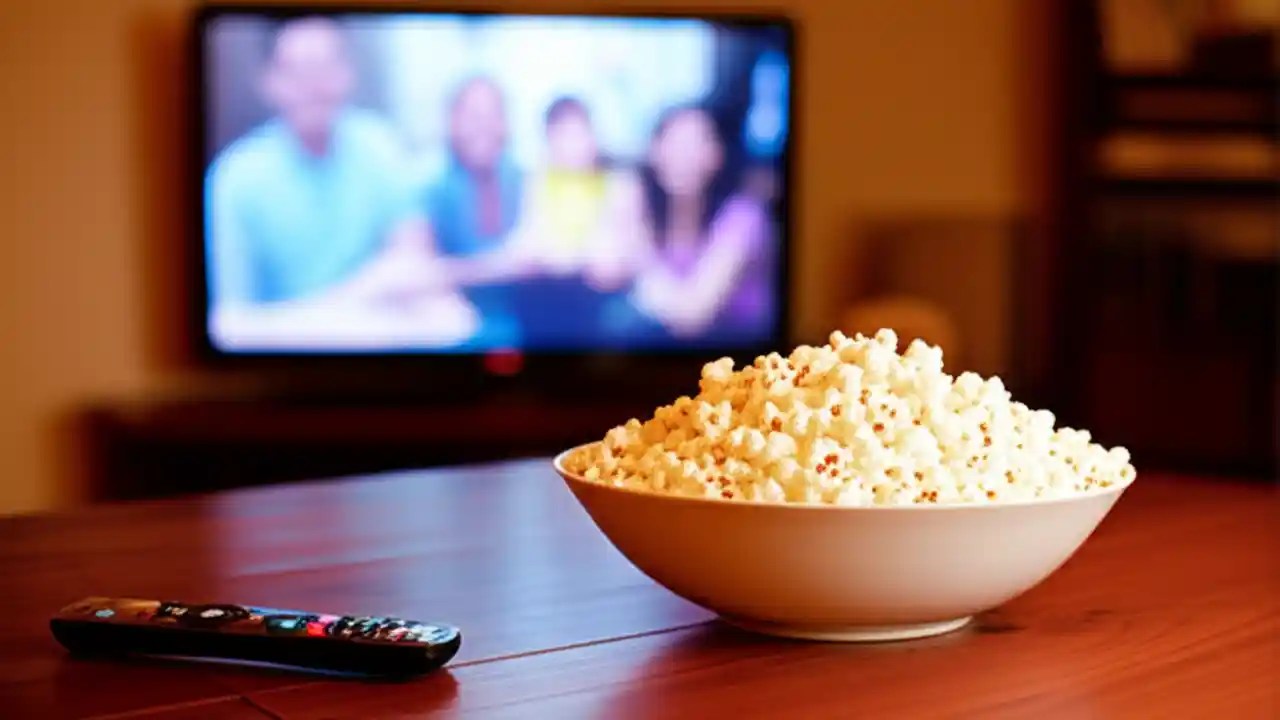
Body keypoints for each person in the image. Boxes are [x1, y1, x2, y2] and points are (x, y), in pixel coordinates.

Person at [206, 18, 473, 348]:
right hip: (282, 356)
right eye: (300, 71)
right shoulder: (234, 177)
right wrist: (354, 295)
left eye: (326, 67)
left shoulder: (379, 145)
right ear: (270, 81)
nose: (316, 86)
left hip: (379, 346)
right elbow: (230, 325)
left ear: (347, 74)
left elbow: (414, 259)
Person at [626, 105, 774, 342]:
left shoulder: (743, 216)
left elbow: (692, 316)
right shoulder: (650, 214)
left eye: (694, 143)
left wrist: (635, 240)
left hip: (742, 367)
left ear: (716, 156)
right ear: (653, 151)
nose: (682, 156)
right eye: (673, 142)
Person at [422, 77, 529, 347]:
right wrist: (496, 266)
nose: (484, 126)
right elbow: (422, 272)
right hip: (456, 327)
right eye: (473, 116)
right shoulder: (432, 188)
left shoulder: (525, 180)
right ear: (452, 123)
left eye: (493, 115)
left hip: (531, 327)